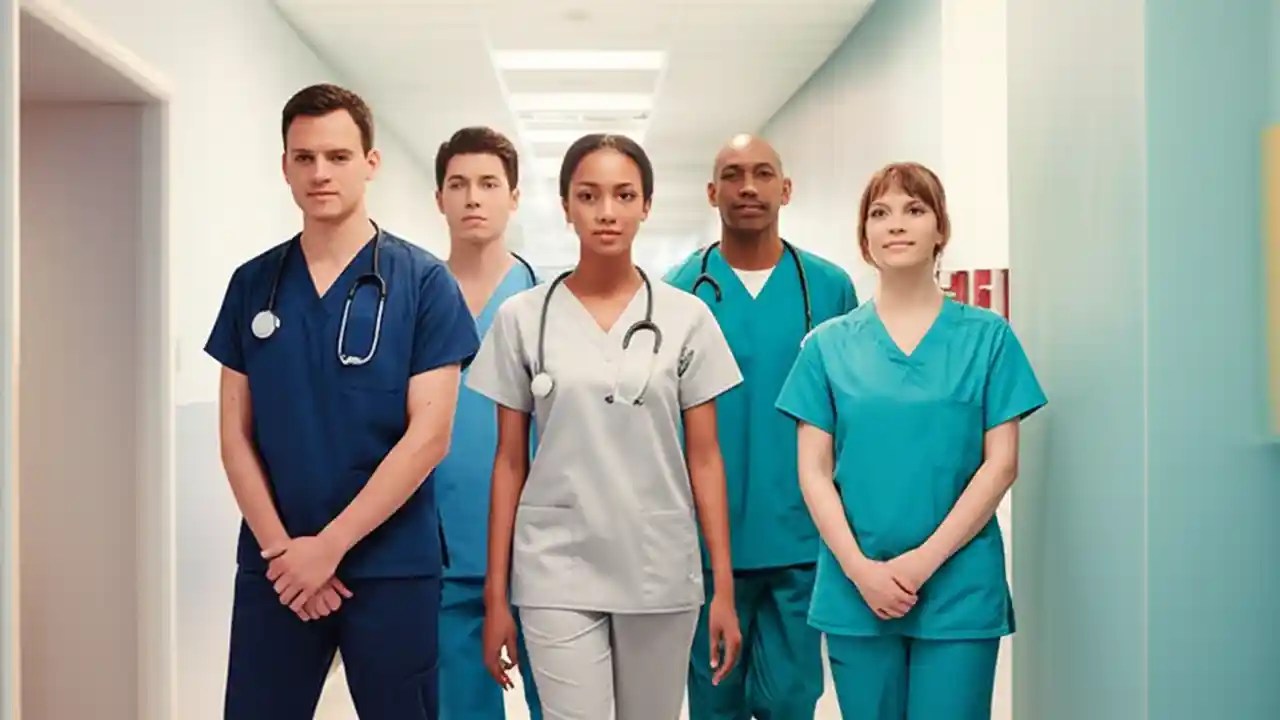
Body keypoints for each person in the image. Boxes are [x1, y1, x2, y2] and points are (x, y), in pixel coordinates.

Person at [204, 83, 479, 720]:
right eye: (304, 158)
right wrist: (283, 553)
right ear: (285, 167)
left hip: (391, 567)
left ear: (370, 164)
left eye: (337, 156)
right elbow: (234, 436)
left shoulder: (424, 284)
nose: (320, 172)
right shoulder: (254, 285)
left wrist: (327, 547)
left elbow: (429, 438)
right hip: (277, 568)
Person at [465, 133, 745, 719]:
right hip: (555, 566)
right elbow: (509, 461)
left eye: (624, 195)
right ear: (565, 206)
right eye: (588, 195)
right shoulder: (524, 319)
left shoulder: (687, 318)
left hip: (658, 562)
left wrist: (724, 585)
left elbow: (707, 459)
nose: (607, 211)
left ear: (647, 204)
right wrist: (496, 594)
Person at [774, 161, 1047, 720]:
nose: (896, 224)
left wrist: (921, 563)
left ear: (940, 229)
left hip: (957, 586)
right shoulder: (827, 347)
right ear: (865, 237)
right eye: (880, 213)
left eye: (914, 209)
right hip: (857, 586)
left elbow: (1001, 465)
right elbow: (813, 472)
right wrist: (860, 570)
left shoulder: (987, 338)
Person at [663, 133, 858, 719]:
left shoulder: (828, 289)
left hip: (801, 543)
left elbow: (850, 412)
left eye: (763, 173)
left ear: (786, 189)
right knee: (713, 702)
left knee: (791, 701)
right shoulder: (677, 291)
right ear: (711, 192)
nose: (748, 186)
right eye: (733, 174)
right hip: (705, 548)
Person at [432, 126, 543, 720]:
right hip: (444, 554)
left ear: (514, 196)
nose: (473, 197)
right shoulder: (411, 300)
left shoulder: (549, 303)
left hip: (541, 556)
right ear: (439, 199)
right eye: (458, 184)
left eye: (488, 184)